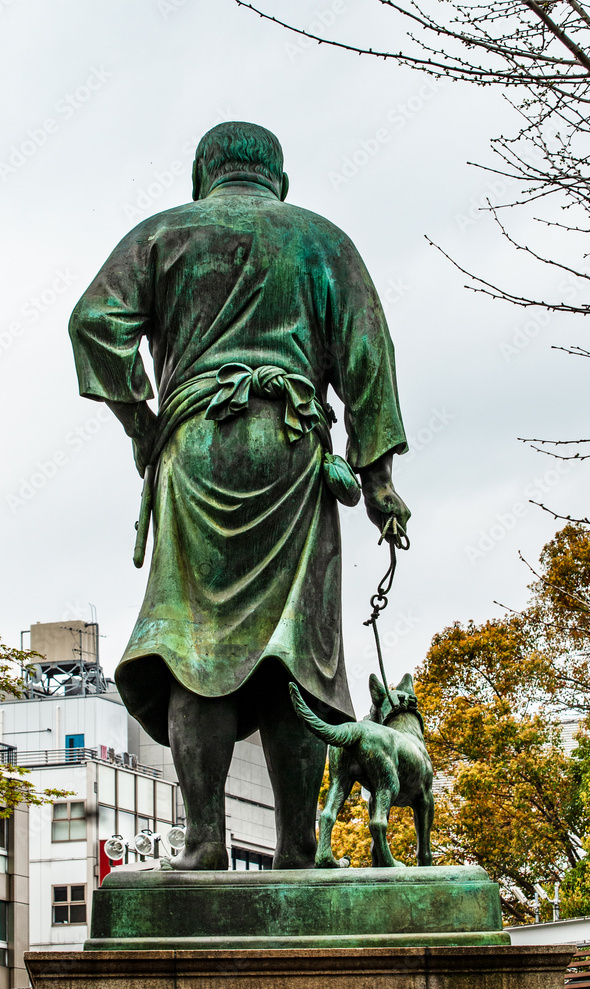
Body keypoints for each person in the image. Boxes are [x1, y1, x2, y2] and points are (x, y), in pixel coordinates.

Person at [69, 121, 410, 870]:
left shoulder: (162, 234)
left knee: (196, 648)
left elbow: (94, 324)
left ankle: (202, 843)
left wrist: (144, 423)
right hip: (292, 452)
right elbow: (366, 356)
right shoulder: (322, 240)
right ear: (276, 179)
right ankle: (296, 850)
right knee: (298, 654)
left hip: (195, 452)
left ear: (204, 175)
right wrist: (377, 476)